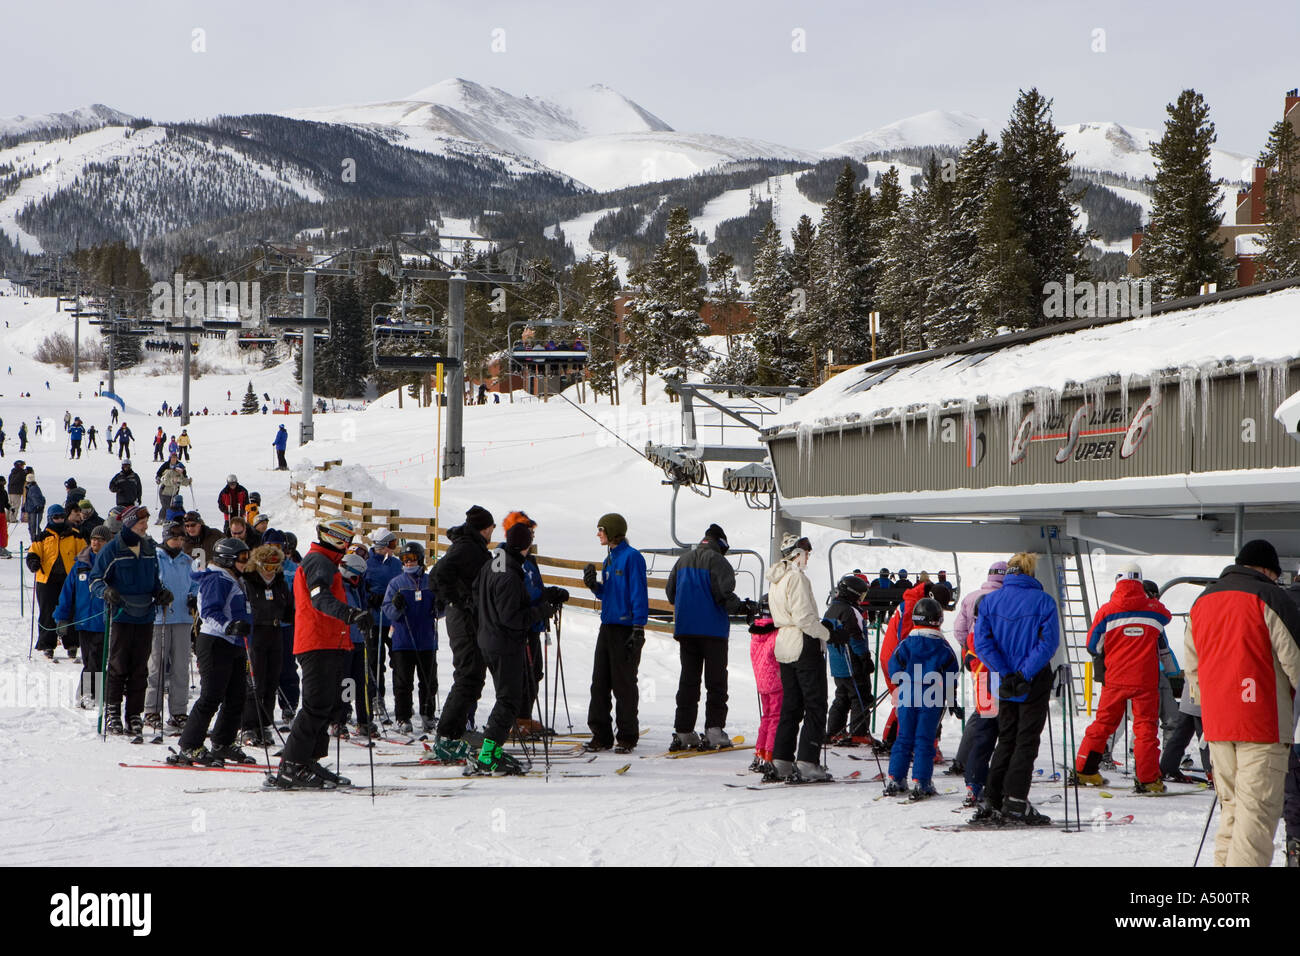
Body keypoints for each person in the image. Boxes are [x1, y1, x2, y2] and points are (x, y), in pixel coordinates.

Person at [1185, 539, 1300, 867]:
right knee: (1257, 817)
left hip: (1219, 726)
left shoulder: (1201, 602)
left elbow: (1193, 670)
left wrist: (1218, 704)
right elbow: (1295, 662)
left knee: (1233, 812)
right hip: (1262, 724)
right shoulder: (1270, 597)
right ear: (1266, 569)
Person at [269, 518, 369, 789]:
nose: (346, 545)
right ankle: (291, 765)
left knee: (325, 706)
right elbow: (319, 598)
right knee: (315, 706)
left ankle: (307, 760)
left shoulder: (327, 562)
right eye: (344, 540)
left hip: (330, 642)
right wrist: (350, 614)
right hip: (317, 642)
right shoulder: (318, 561)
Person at [970, 552, 1060, 827]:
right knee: (1026, 740)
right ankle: (1017, 800)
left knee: (1006, 737)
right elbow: (1048, 644)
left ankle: (993, 798)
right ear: (1031, 572)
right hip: (1033, 679)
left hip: (1003, 679)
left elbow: (982, 644)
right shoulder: (1044, 601)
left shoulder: (989, 601)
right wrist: (1024, 673)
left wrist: (1005, 672)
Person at [1072, 563, 1174, 792]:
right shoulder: (1154, 610)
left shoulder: (1107, 610)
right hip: (1145, 681)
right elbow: (1166, 617)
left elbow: (1092, 646)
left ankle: (1085, 770)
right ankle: (1148, 780)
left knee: (1103, 723)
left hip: (1115, 679)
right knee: (1146, 728)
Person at [468, 519, 559, 775]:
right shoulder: (508, 573)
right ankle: (488, 753)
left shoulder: (495, 563)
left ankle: (492, 749)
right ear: (526, 547)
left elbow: (477, 593)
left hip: (490, 638)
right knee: (509, 700)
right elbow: (513, 617)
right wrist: (543, 610)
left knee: (506, 698)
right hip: (503, 642)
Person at [168, 538, 256, 766]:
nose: (246, 563)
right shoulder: (217, 578)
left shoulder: (235, 579)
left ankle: (223, 742)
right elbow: (208, 611)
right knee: (211, 696)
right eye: (243, 558)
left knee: (236, 696)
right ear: (228, 559)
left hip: (234, 643)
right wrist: (229, 625)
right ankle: (190, 745)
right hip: (215, 642)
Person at [665, 523, 752, 751]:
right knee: (715, 682)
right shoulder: (718, 561)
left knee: (688, 681)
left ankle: (683, 732)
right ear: (721, 543)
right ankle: (714, 732)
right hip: (712, 631)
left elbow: (670, 594)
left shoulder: (683, 560)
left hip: (686, 630)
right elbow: (723, 594)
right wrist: (742, 607)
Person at [90, 506, 172, 737]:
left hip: (146, 614)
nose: (145, 526)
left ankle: (134, 714)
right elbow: (96, 579)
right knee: (118, 665)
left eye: (145, 522)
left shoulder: (148, 548)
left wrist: (161, 593)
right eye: (141, 523)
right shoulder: (113, 549)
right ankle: (112, 712)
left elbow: (154, 581)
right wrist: (105, 592)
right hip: (121, 614)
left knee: (139, 667)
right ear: (129, 524)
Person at [431, 505, 496, 762]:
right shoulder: (467, 546)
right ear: (485, 527)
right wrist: (457, 600)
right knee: (468, 675)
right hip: (463, 619)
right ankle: (447, 733)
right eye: (492, 527)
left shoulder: (472, 545)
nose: (493, 531)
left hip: (468, 618)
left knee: (473, 675)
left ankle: (454, 731)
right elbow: (437, 575)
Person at [581, 513, 649, 753]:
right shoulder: (609, 559)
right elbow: (609, 593)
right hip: (607, 627)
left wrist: (638, 628)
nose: (598, 534)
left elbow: (639, 593)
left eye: (601, 529)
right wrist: (594, 586)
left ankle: (627, 736)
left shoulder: (633, 558)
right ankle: (601, 735)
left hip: (625, 629)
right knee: (599, 683)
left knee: (624, 685)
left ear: (612, 531)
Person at [766, 534, 831, 782]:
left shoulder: (777, 579)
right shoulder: (796, 578)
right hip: (803, 643)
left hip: (784, 643)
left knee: (791, 705)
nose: (808, 557)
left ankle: (781, 760)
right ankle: (807, 762)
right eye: (806, 552)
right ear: (796, 554)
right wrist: (827, 633)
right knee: (815, 704)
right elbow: (805, 618)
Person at [884, 597, 960, 798]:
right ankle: (921, 781)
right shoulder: (943, 647)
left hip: (908, 695)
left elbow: (894, 667)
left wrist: (901, 682)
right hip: (932, 696)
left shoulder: (907, 643)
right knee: (924, 739)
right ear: (939, 620)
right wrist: (953, 700)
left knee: (903, 737)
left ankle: (895, 778)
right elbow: (951, 673)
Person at [949, 561, 1008, 776]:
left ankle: (965, 759)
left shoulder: (971, 597)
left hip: (977, 661)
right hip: (1000, 662)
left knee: (984, 710)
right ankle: (985, 763)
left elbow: (959, 629)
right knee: (999, 712)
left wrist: (968, 650)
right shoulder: (1006, 599)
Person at [145, 522, 199, 733]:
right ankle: (152, 709)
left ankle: (178, 711)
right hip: (161, 617)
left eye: (181, 538)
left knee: (180, 667)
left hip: (183, 618)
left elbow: (196, 584)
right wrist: (156, 595)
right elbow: (150, 583)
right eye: (174, 537)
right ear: (166, 537)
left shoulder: (187, 561)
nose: (178, 541)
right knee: (157, 665)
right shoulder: (156, 558)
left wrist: (194, 597)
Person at [384, 541, 440, 735]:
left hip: (426, 641)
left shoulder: (429, 582)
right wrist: (396, 606)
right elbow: (388, 611)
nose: (408, 563)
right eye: (405, 560)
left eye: (412, 559)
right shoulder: (396, 583)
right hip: (403, 642)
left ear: (421, 560)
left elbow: (439, 612)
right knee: (403, 683)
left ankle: (428, 715)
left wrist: (440, 604)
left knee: (428, 682)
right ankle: (403, 716)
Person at [241, 543, 291, 747]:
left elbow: (288, 607)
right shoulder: (249, 581)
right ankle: (248, 725)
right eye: (267, 567)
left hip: (275, 630)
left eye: (275, 567)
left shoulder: (280, 582)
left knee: (272, 681)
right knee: (255, 681)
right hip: (256, 633)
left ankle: (265, 724)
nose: (271, 572)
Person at [54, 525, 110, 707]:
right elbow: (67, 593)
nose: (96, 542)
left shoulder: (111, 564)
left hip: (104, 621)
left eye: (100, 540)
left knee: (98, 660)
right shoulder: (80, 565)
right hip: (84, 621)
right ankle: (86, 694)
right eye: (94, 539)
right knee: (89, 660)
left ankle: (95, 693)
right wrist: (61, 617)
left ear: (107, 543)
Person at [27, 504, 87, 659]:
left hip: (69, 580)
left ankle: (72, 643)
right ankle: (47, 644)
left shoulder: (75, 535)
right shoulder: (43, 536)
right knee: (48, 613)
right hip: (47, 580)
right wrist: (33, 562)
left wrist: (83, 568)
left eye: (61, 517)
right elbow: (33, 553)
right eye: (56, 517)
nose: (59, 520)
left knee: (70, 611)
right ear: (50, 518)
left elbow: (84, 554)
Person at [824, 573, 875, 745]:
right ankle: (859, 733)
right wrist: (864, 658)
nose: (862, 599)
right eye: (861, 595)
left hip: (837, 663)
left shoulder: (831, 609)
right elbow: (855, 637)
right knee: (861, 696)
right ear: (852, 593)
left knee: (842, 697)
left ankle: (834, 731)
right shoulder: (850, 611)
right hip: (852, 662)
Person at [331, 552, 371, 738]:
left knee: (362, 683)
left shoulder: (357, 589)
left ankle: (364, 721)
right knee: (345, 683)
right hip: (343, 643)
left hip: (359, 641)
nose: (358, 580)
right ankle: (339, 720)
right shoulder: (340, 589)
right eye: (355, 576)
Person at [364, 529, 402, 722]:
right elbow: (360, 588)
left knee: (399, 660)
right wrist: (370, 598)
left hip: (394, 620)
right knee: (375, 661)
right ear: (382, 546)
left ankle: (401, 700)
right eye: (392, 545)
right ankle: (375, 697)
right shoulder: (367, 564)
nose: (394, 549)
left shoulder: (396, 564)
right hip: (375, 618)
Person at [748, 600, 781, 775]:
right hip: (776, 680)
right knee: (776, 717)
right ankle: (770, 752)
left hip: (762, 681)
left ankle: (760, 751)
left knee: (767, 717)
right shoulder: (776, 632)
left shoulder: (756, 632)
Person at [22, 473, 46, 541]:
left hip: (35, 512)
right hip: (31, 510)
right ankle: (34, 542)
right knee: (32, 528)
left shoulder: (33, 488)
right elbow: (29, 500)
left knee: (34, 528)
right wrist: (25, 507)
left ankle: (36, 542)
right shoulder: (29, 488)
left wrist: (38, 506)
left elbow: (36, 498)